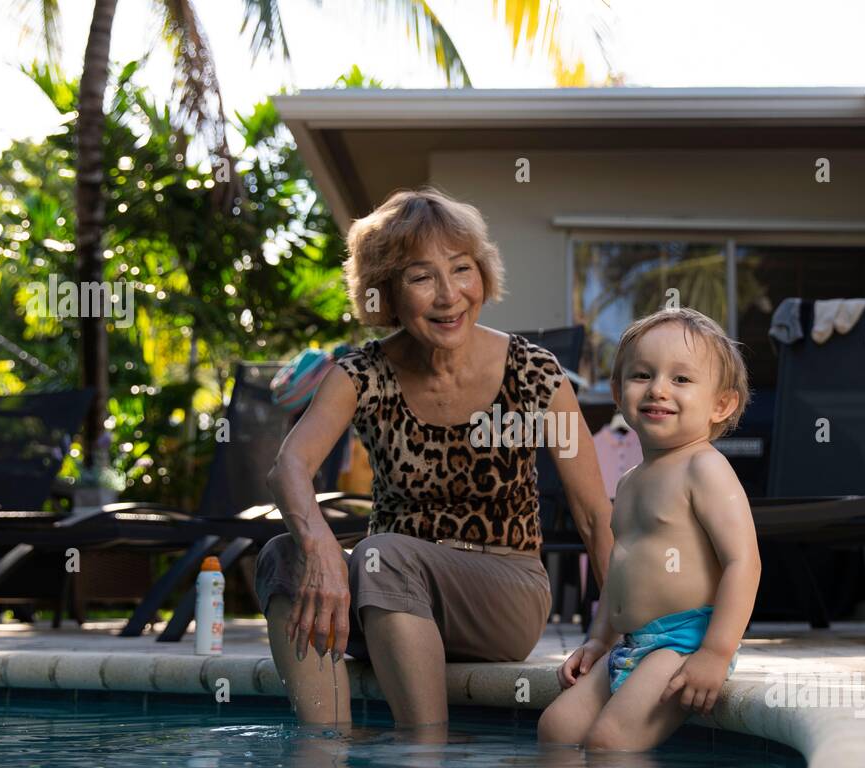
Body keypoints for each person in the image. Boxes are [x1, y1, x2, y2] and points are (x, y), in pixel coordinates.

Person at [258, 186, 613, 731]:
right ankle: (324, 762)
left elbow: (593, 514)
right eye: (422, 277)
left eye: (462, 269)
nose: (449, 295)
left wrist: (612, 630)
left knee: (382, 557)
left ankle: (423, 762)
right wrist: (320, 548)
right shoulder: (362, 373)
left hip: (503, 593)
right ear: (387, 294)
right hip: (388, 597)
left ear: (483, 275)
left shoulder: (535, 373)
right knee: (284, 556)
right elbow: (290, 466)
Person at [538, 308, 761, 752]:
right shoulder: (629, 479)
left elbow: (744, 562)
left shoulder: (705, 468)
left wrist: (714, 654)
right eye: (643, 375)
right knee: (555, 731)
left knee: (610, 743)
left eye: (681, 379)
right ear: (619, 393)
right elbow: (619, 568)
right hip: (629, 642)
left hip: (682, 643)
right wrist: (599, 638)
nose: (658, 388)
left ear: (722, 403)